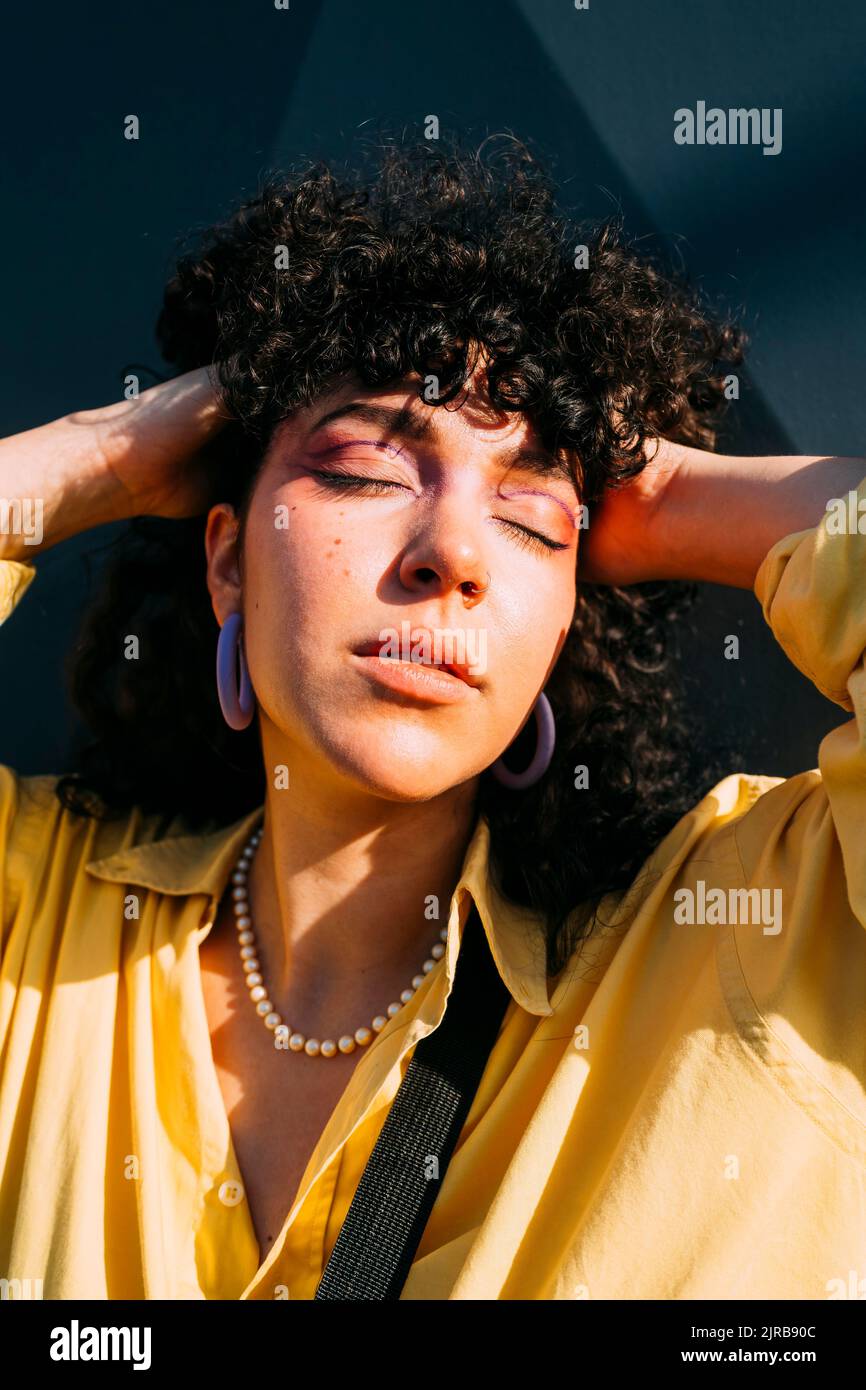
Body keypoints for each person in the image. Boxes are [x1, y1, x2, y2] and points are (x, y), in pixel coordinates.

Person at [0, 138, 864, 1301]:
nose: (453, 553)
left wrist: (667, 496)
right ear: (229, 566)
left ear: (569, 609)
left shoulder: (768, 931)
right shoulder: (30, 918)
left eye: (531, 520)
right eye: (361, 469)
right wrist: (98, 455)